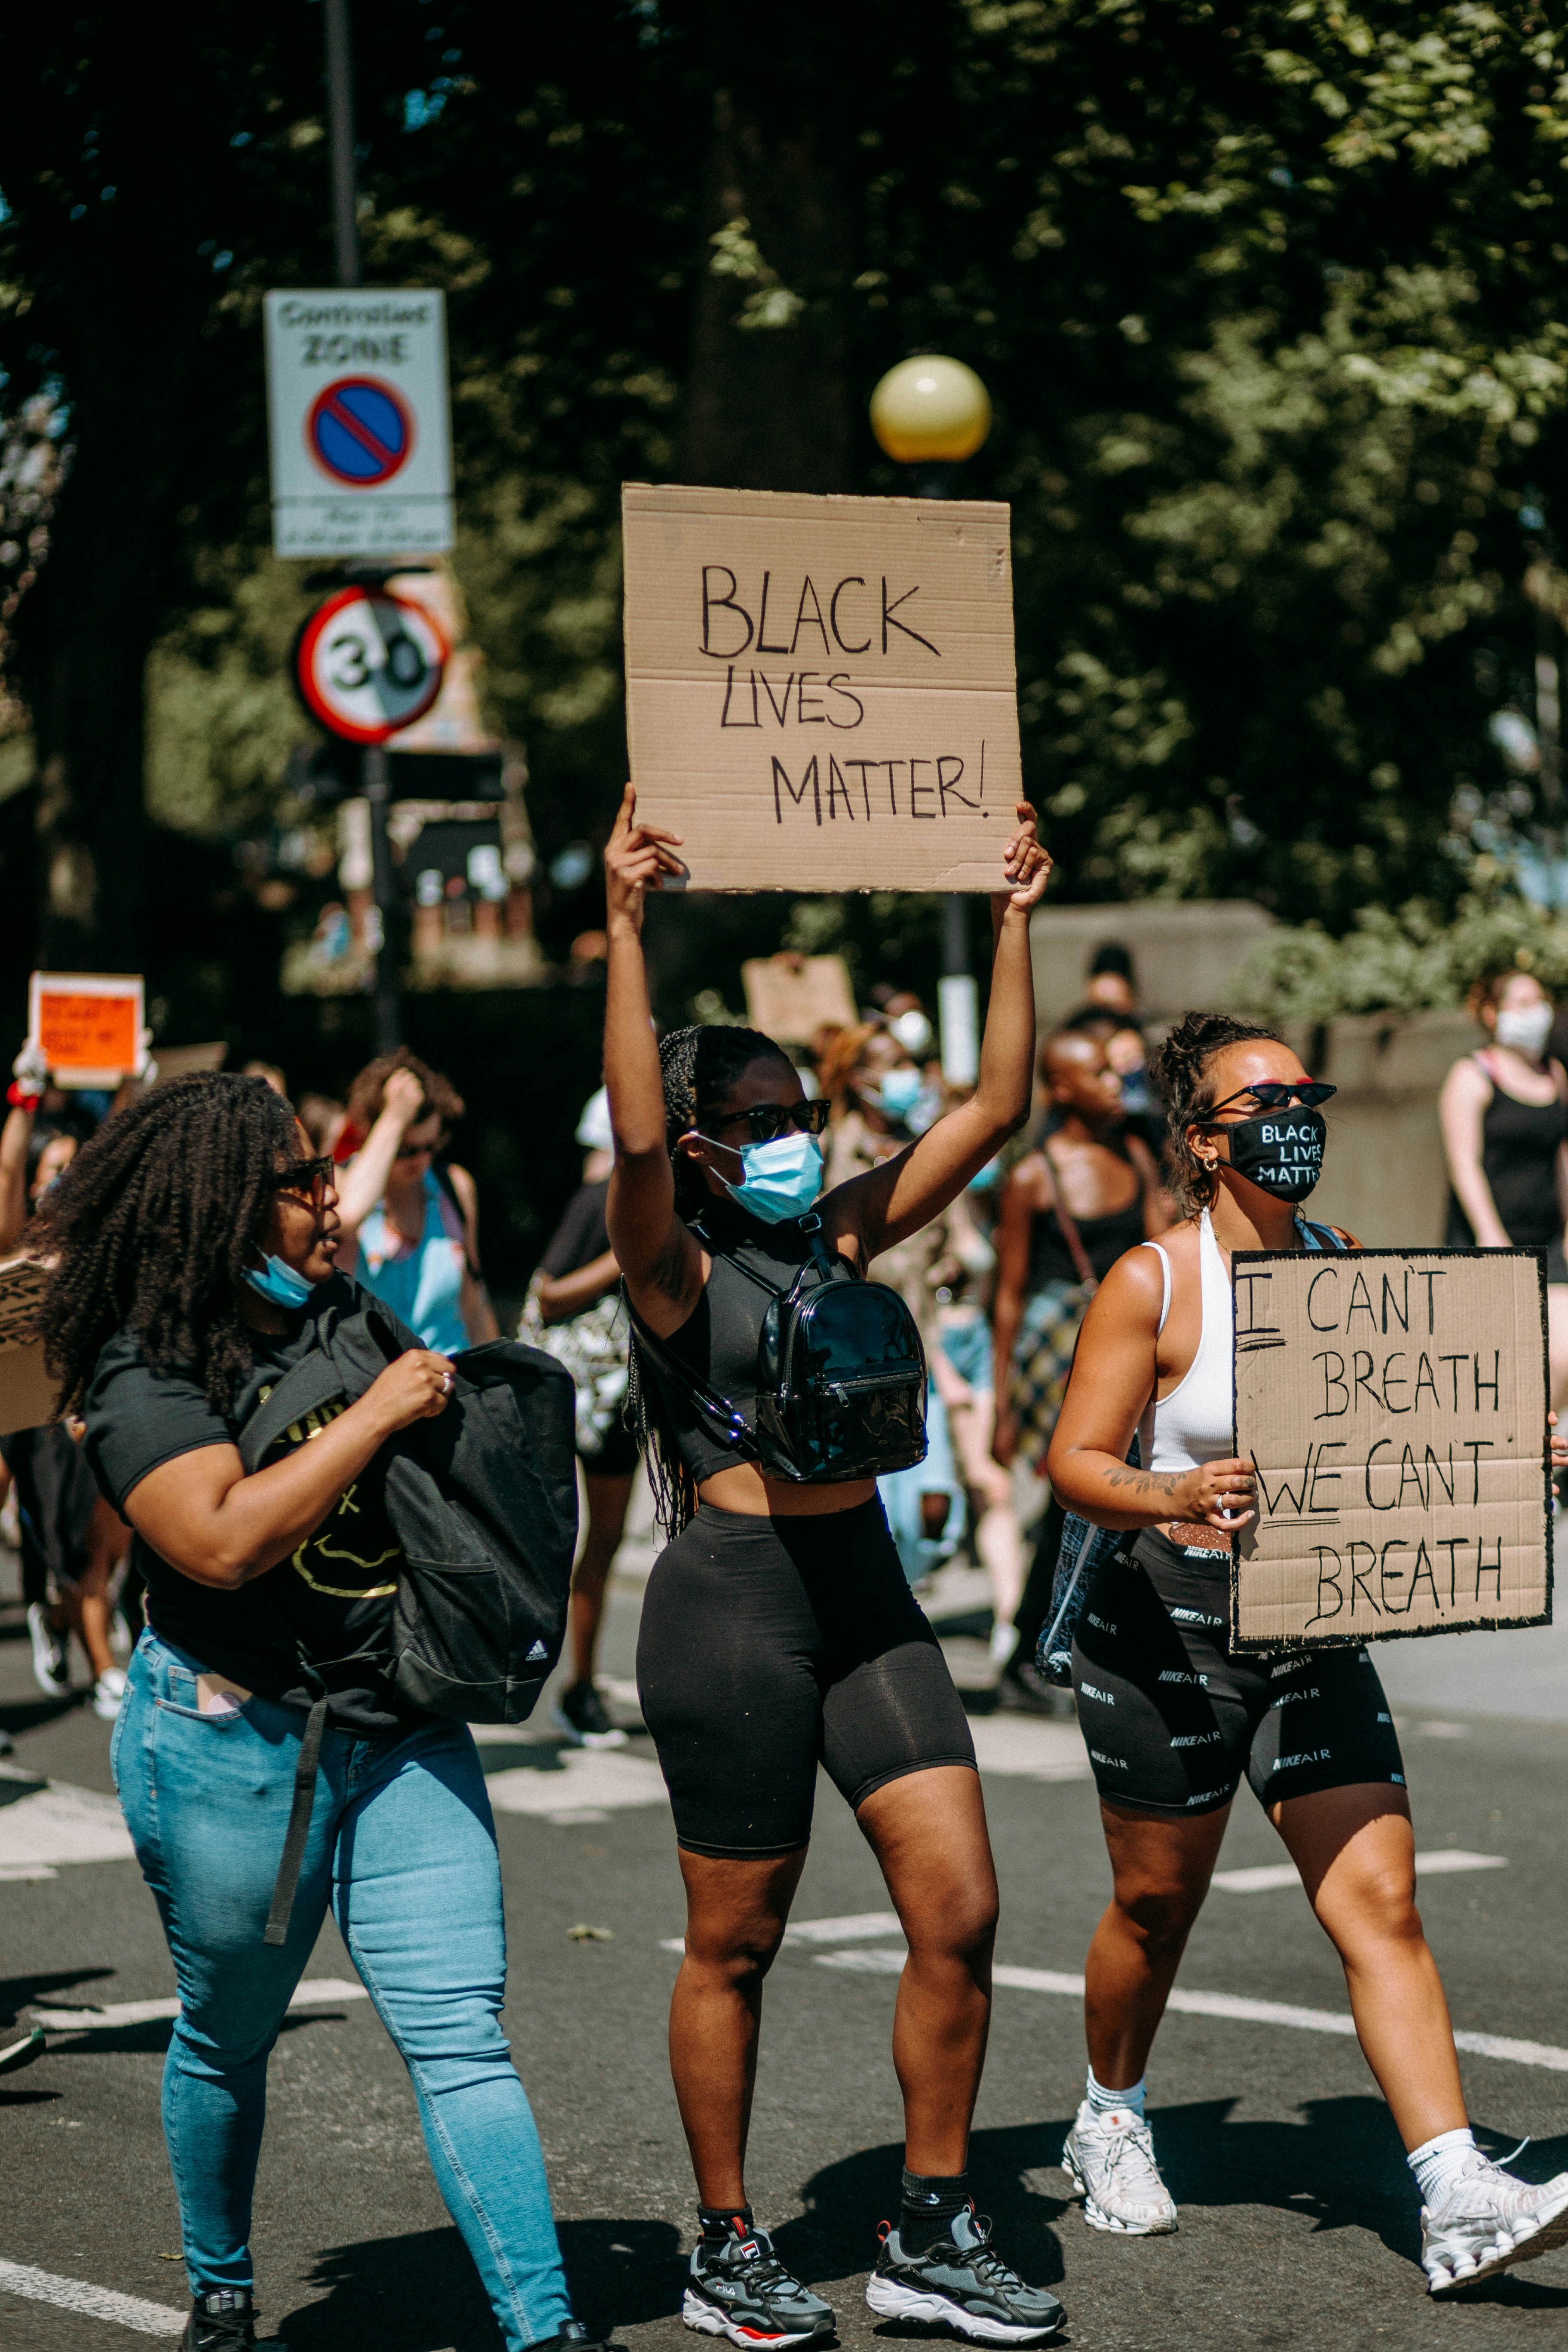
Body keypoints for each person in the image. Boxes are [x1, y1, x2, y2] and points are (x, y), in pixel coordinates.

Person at [602, 781, 1063, 2348]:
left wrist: (1012, 923)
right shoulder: (667, 1260)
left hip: (864, 1592)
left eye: (803, 1110)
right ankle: (726, 2240)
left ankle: (928, 2224)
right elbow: (628, 1132)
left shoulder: (841, 1237)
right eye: (762, 1120)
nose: (797, 1137)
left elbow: (989, 1112)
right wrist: (622, 929)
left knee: (962, 1905)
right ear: (699, 1144)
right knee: (733, 1939)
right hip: (731, 1610)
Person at [42, 1073, 597, 2352]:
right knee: (230, 2037)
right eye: (299, 1181)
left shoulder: (342, 1309)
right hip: (231, 1742)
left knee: (459, 2034)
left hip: (398, 1724)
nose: (328, 1193)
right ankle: (223, 2286)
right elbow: (220, 1542)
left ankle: (546, 2328)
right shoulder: (146, 1365)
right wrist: (386, 1410)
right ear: (231, 1209)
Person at [1045, 1011, 1568, 2295]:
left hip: (1309, 1621)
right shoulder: (1151, 1282)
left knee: (1379, 1902)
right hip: (1161, 1630)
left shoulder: (1339, 1261)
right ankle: (1108, 2114)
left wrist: (1518, 1459)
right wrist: (1171, 1497)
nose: (1293, 1123)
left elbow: (1400, 1440)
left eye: (1305, 1099)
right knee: (1155, 1905)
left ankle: (1452, 2186)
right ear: (1203, 1140)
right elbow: (1072, 1463)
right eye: (1260, 1105)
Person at [990, 1029, 1166, 1706]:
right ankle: (1033, 1644)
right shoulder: (1035, 1176)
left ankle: (1079, 1642)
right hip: (1057, 1363)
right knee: (1072, 1503)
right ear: (1060, 1088)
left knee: (1119, 1503)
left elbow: (1160, 1246)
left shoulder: (1136, 1158)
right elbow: (1006, 1298)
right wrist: (1001, 1405)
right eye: (1095, 1072)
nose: (1112, 1083)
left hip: (1131, 1354)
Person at [0, 1046, 131, 1715]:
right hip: (23, 1413)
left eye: (74, 1169)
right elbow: (7, 1166)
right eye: (54, 1169)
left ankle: (65, 1624)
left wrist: (130, 1089)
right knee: (72, 1538)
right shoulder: (19, 1239)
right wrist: (26, 1100)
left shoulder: (101, 1243)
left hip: (86, 1411)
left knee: (103, 1544)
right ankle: (103, 1665)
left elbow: (124, 1159)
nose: (66, 1179)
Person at [524, 1084, 637, 1749]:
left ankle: (583, 1683)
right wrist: (620, 1259)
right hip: (581, 1389)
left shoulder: (689, 1205)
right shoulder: (601, 1200)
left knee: (609, 1539)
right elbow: (548, 1291)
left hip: (630, 1395)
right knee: (559, 1536)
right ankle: (560, 1676)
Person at [1440, 966, 1568, 1402]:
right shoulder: (1473, 1075)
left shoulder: (1554, 1075)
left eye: (1540, 1002)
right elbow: (1464, 1163)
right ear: (1492, 1014)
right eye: (1522, 1004)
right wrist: (1491, 1235)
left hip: (1548, 1240)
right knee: (1509, 1364)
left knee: (1561, 1353)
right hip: (1489, 1240)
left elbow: (1562, 1157)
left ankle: (1545, 1454)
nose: (1535, 1013)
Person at [334, 1050, 499, 1351]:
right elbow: (348, 1215)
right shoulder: (342, 1182)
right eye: (406, 1150)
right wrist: (395, 1115)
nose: (421, 1161)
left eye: (430, 1147)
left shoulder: (453, 1186)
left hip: (456, 1376)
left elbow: (474, 1302)